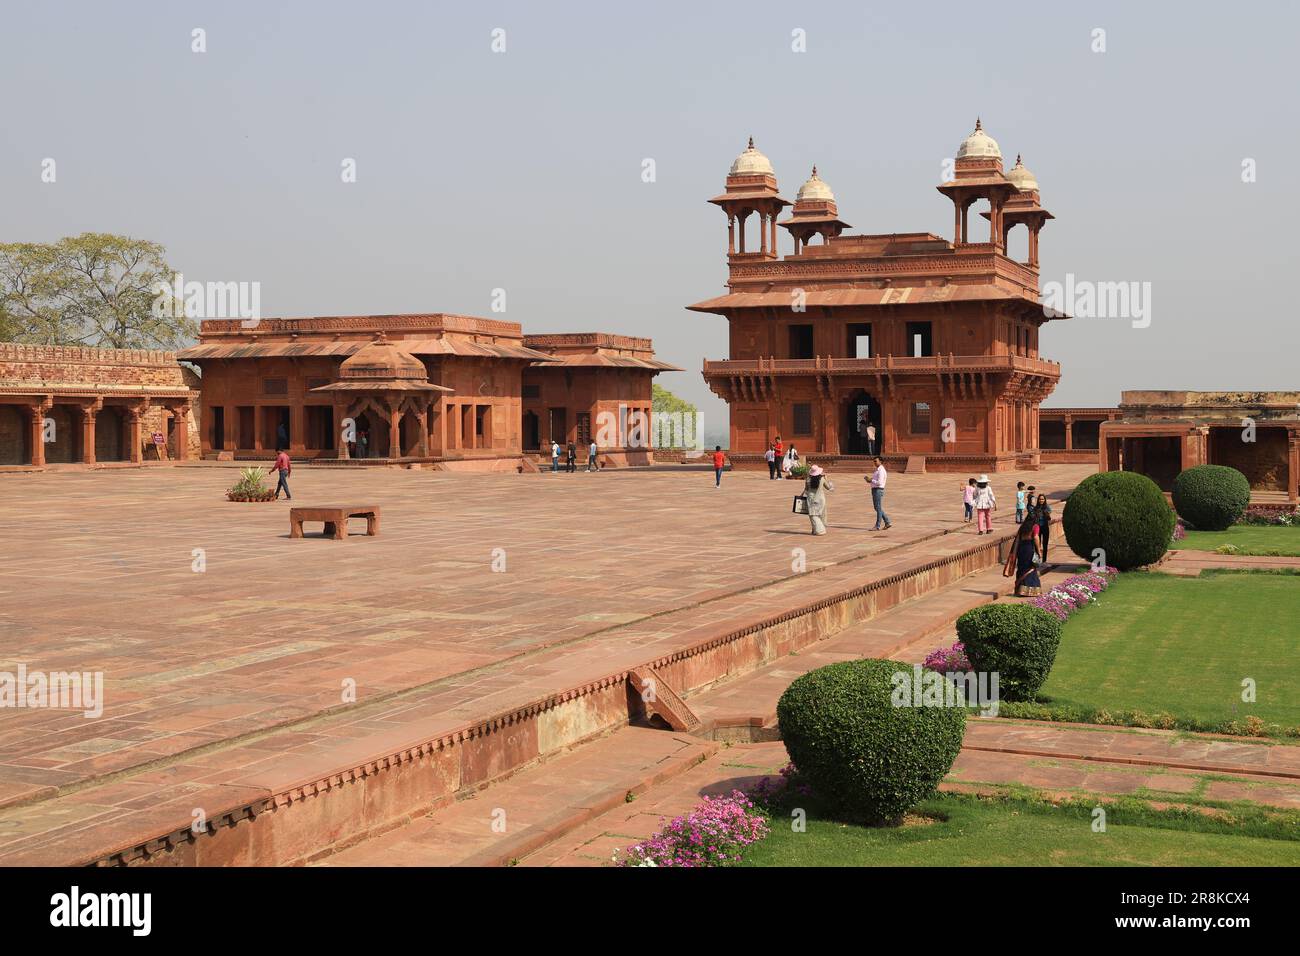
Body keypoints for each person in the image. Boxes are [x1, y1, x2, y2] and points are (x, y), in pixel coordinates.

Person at [1003, 516, 1043, 597]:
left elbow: (1017, 540)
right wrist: (1039, 551)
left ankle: (1020, 590)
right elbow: (1035, 537)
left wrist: (1015, 552)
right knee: (1031, 568)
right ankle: (1030, 590)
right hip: (1029, 549)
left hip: (1021, 550)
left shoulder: (1022, 527)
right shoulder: (1035, 526)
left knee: (1021, 568)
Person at [803, 465, 835, 535]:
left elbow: (806, 490)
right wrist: (827, 480)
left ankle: (819, 530)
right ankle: (817, 530)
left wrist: (801, 495)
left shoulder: (808, 479)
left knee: (813, 515)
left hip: (811, 499)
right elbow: (830, 488)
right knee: (820, 514)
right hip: (820, 499)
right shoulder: (822, 479)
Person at [865, 456, 891, 530]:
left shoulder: (881, 471)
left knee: (878, 508)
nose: (874, 463)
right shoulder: (877, 470)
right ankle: (887, 522)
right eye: (874, 461)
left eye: (876, 461)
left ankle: (877, 526)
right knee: (877, 507)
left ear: (880, 461)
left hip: (878, 490)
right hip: (875, 489)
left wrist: (871, 480)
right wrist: (870, 480)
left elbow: (879, 482)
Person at [1034, 493, 1053, 562]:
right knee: (1037, 545)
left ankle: (1044, 560)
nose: (1041, 500)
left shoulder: (1047, 507)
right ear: (1038, 500)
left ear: (1044, 500)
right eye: (1040, 499)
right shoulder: (1036, 508)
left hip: (1045, 527)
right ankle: (1037, 561)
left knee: (1045, 545)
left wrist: (1046, 513)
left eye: (1042, 499)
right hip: (1038, 528)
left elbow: (1049, 515)